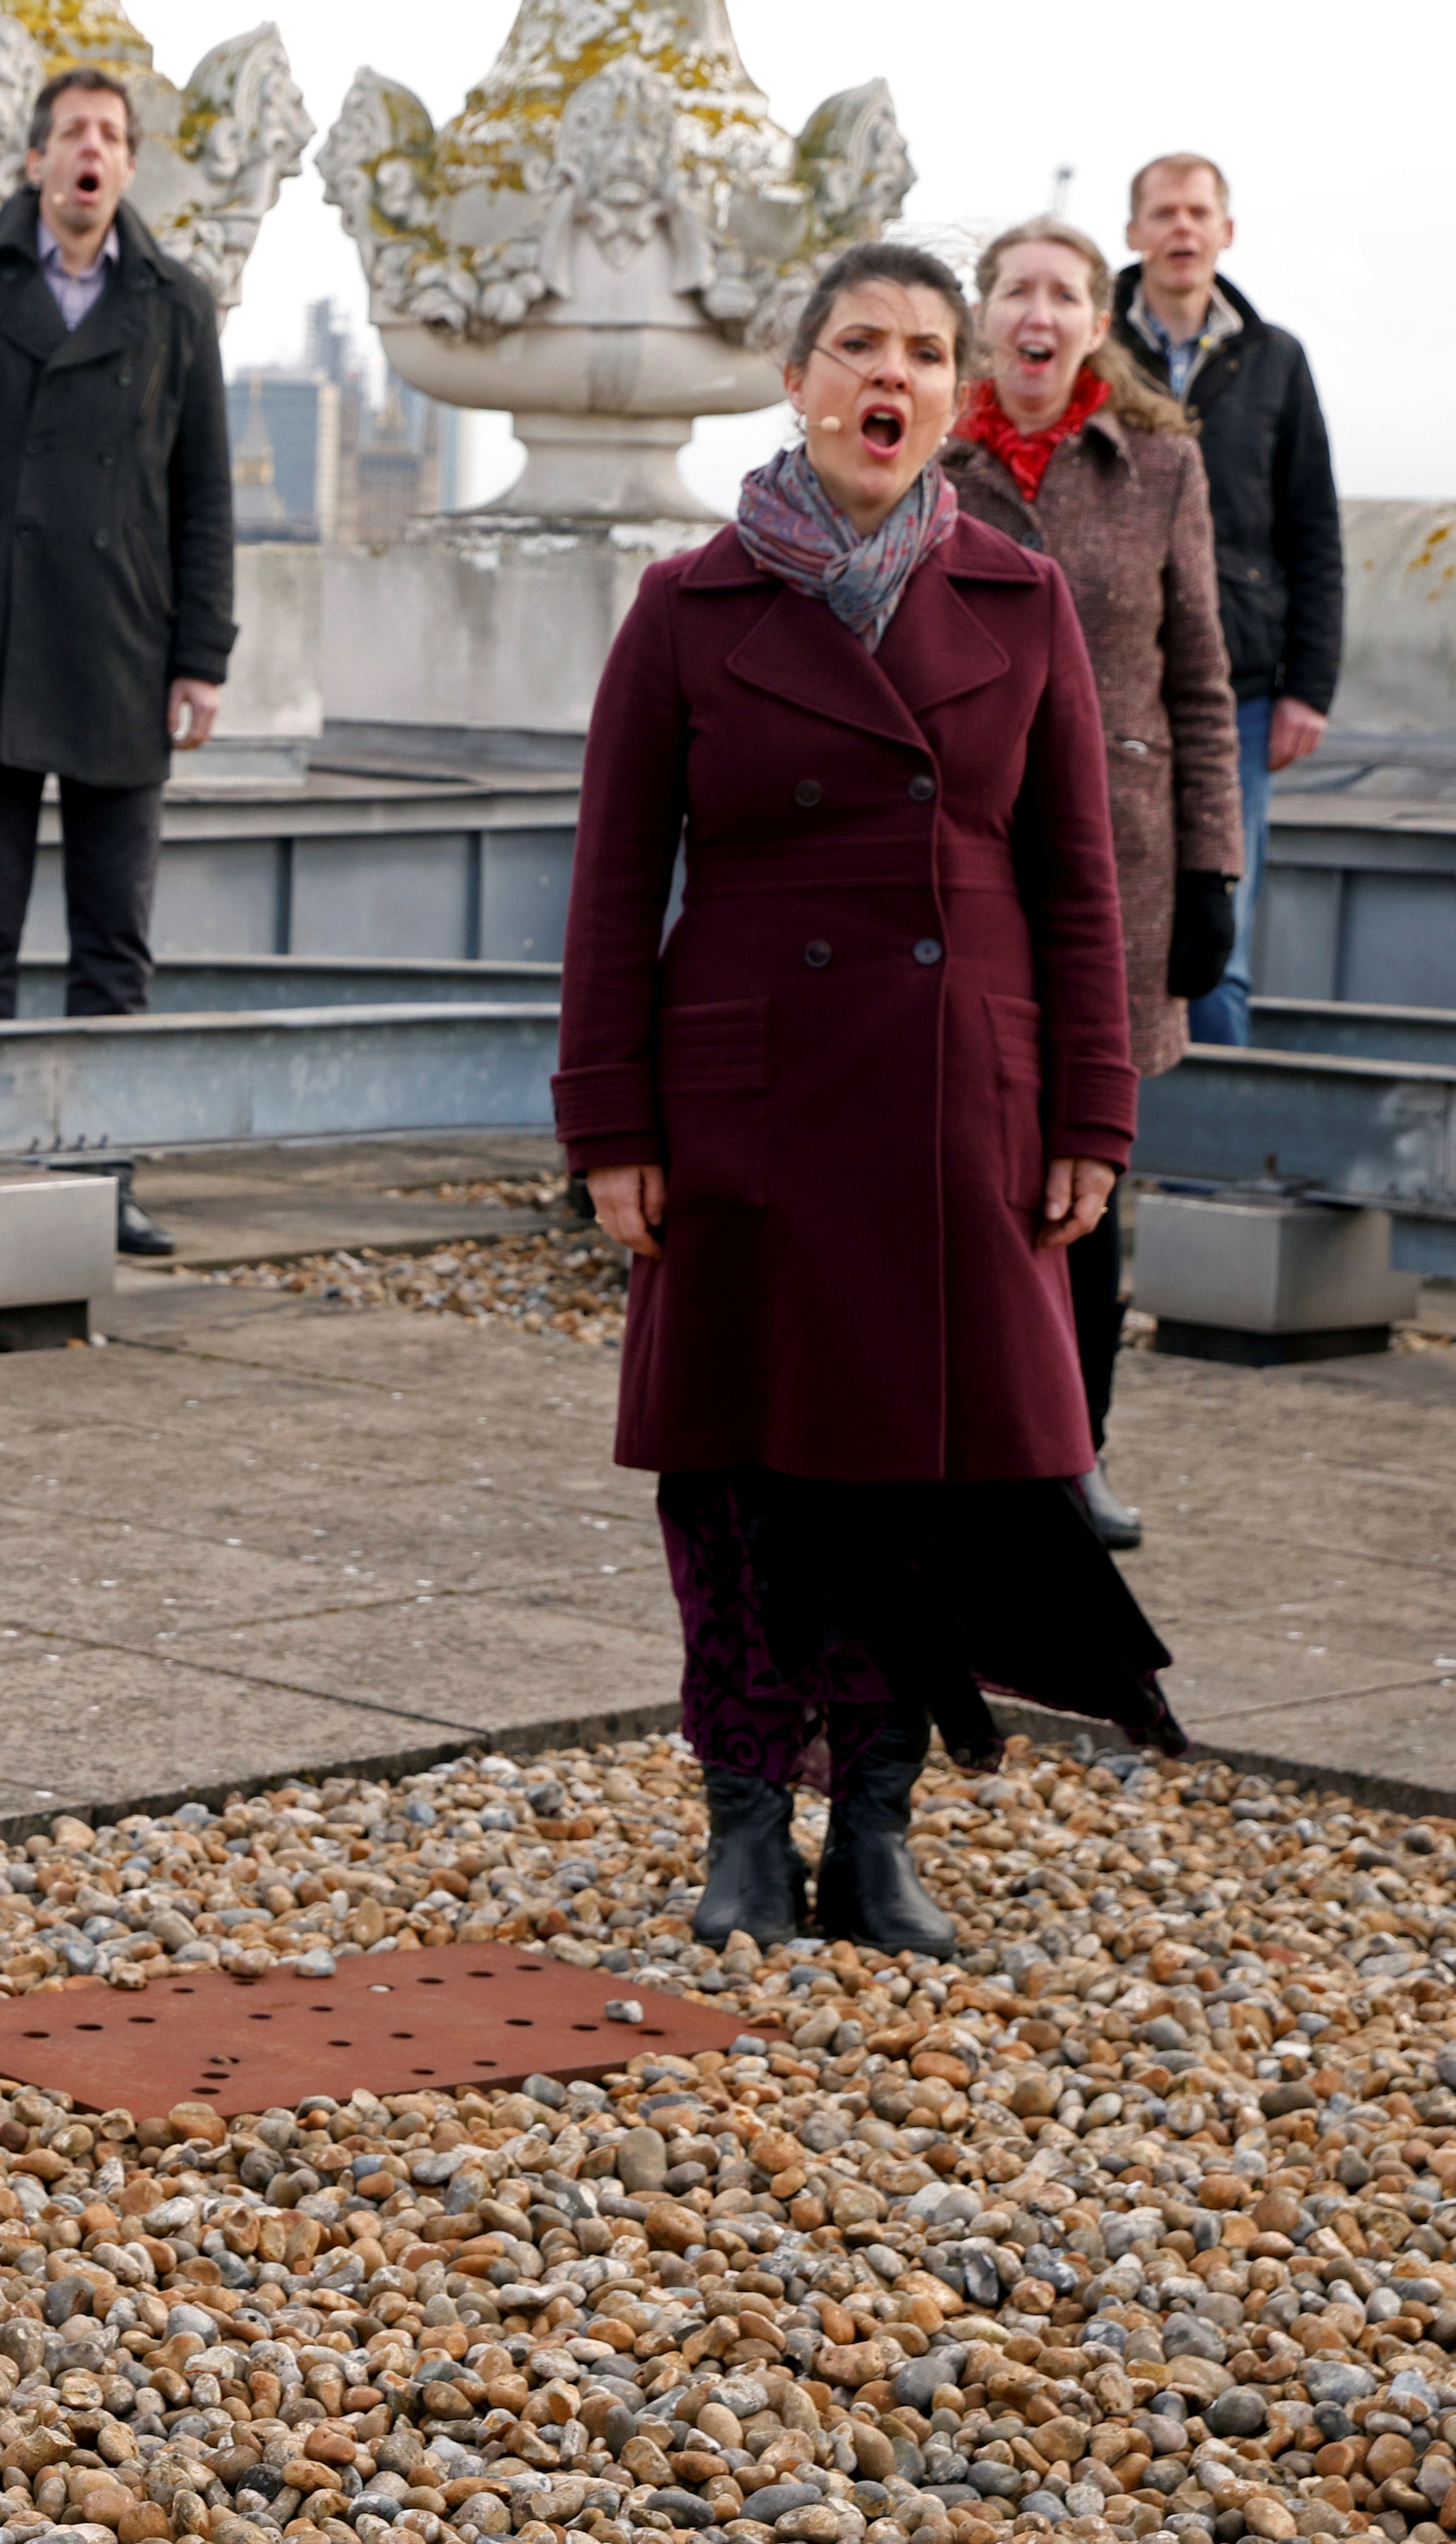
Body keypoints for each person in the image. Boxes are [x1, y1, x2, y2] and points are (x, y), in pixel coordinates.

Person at [552, 242, 1182, 1962]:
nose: (885, 376)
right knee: (739, 1481)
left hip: (952, 1090)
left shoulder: (1017, 596)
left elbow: (1079, 889)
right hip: (747, 1092)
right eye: (855, 347)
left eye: (920, 349)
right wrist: (610, 1127)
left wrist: (1091, 1116)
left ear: (950, 386)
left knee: (929, 1478)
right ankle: (747, 1821)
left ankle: (881, 1830)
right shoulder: (685, 605)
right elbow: (614, 890)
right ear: (799, 374)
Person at [941, 218, 1245, 1553]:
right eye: (1016, 289)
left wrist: (1214, 865)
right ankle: (951, 1442)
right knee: (960, 1153)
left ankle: (1074, 1457)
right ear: (984, 316)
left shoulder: (1160, 467)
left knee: (1086, 1166)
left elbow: (1202, 682)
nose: (1039, 311)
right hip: (959, 854)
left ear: (1094, 323)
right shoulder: (925, 468)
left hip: (1115, 863)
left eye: (1066, 292)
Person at [0, 65, 238, 1257]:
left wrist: (198, 656)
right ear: (35, 161)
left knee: (113, 943)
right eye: (69, 133)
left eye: (108, 134)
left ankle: (106, 1170)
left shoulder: (173, 302)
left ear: (127, 166)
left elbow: (202, 493)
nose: (88, 149)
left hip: (121, 649)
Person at [1115, 154, 1339, 1045]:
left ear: (1225, 232)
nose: (1181, 229)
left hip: (1239, 691)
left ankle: (1212, 1168)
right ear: (1133, 233)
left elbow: (1313, 529)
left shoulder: (1274, 360)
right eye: (1163, 213)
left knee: (1219, 929)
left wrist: (1309, 686)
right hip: (1117, 679)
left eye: (1197, 213)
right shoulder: (1094, 350)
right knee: (1105, 920)